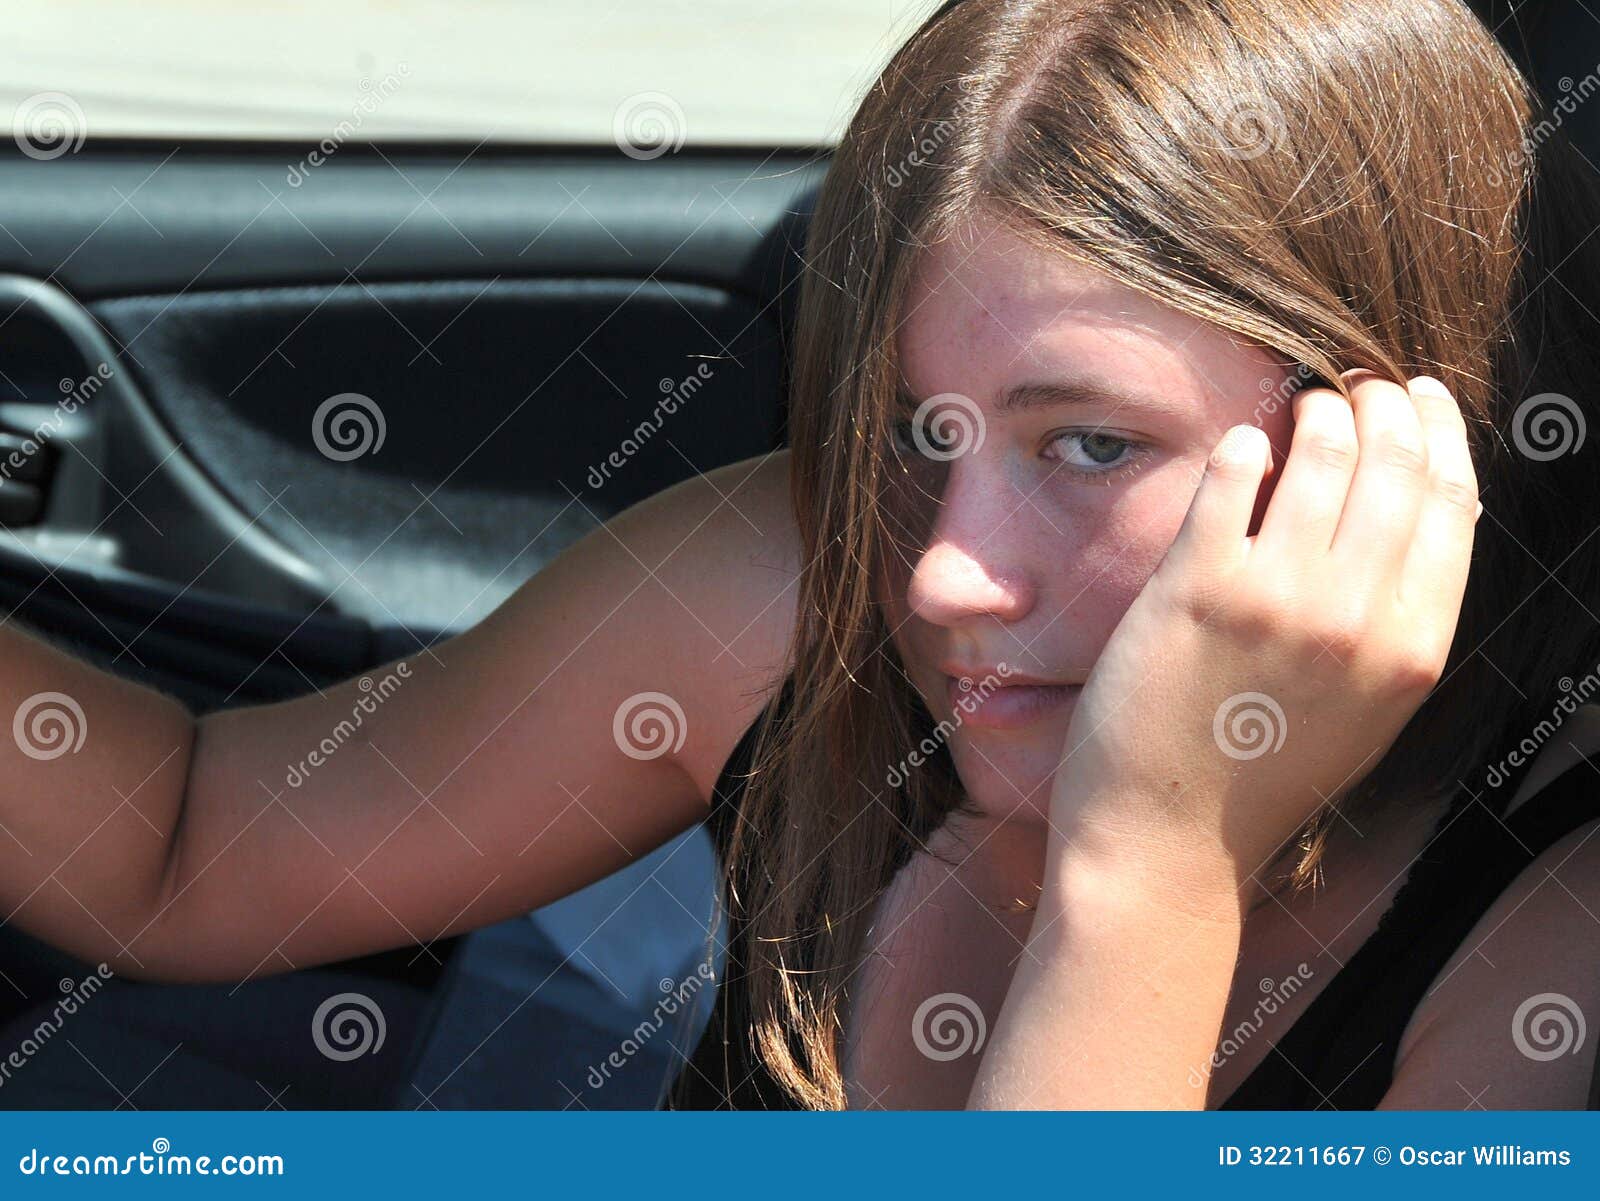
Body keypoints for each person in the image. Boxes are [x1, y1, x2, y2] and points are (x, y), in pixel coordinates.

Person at [5, 0, 1600, 1110]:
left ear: (1399, 445)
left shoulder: (1546, 936)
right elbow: (189, 845)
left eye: (1090, 443)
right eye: (916, 429)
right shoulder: (798, 591)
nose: (941, 576)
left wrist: (1145, 874)